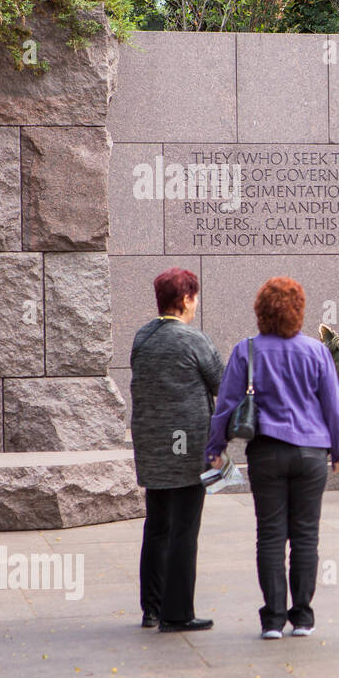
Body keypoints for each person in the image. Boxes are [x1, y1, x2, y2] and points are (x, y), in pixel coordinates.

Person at [207, 277, 339, 639]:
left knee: (270, 536)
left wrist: (215, 447)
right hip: (311, 453)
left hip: (267, 452)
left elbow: (225, 404)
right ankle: (302, 617)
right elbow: (333, 405)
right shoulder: (317, 351)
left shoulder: (247, 350)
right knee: (306, 536)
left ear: (261, 311)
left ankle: (273, 620)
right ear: (299, 311)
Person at [130, 268, 224, 633]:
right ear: (185, 299)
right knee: (184, 529)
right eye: (194, 297)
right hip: (186, 448)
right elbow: (221, 381)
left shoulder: (142, 336)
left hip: (152, 446)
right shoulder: (193, 339)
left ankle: (151, 609)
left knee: (156, 527)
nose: (195, 303)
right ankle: (178, 612)